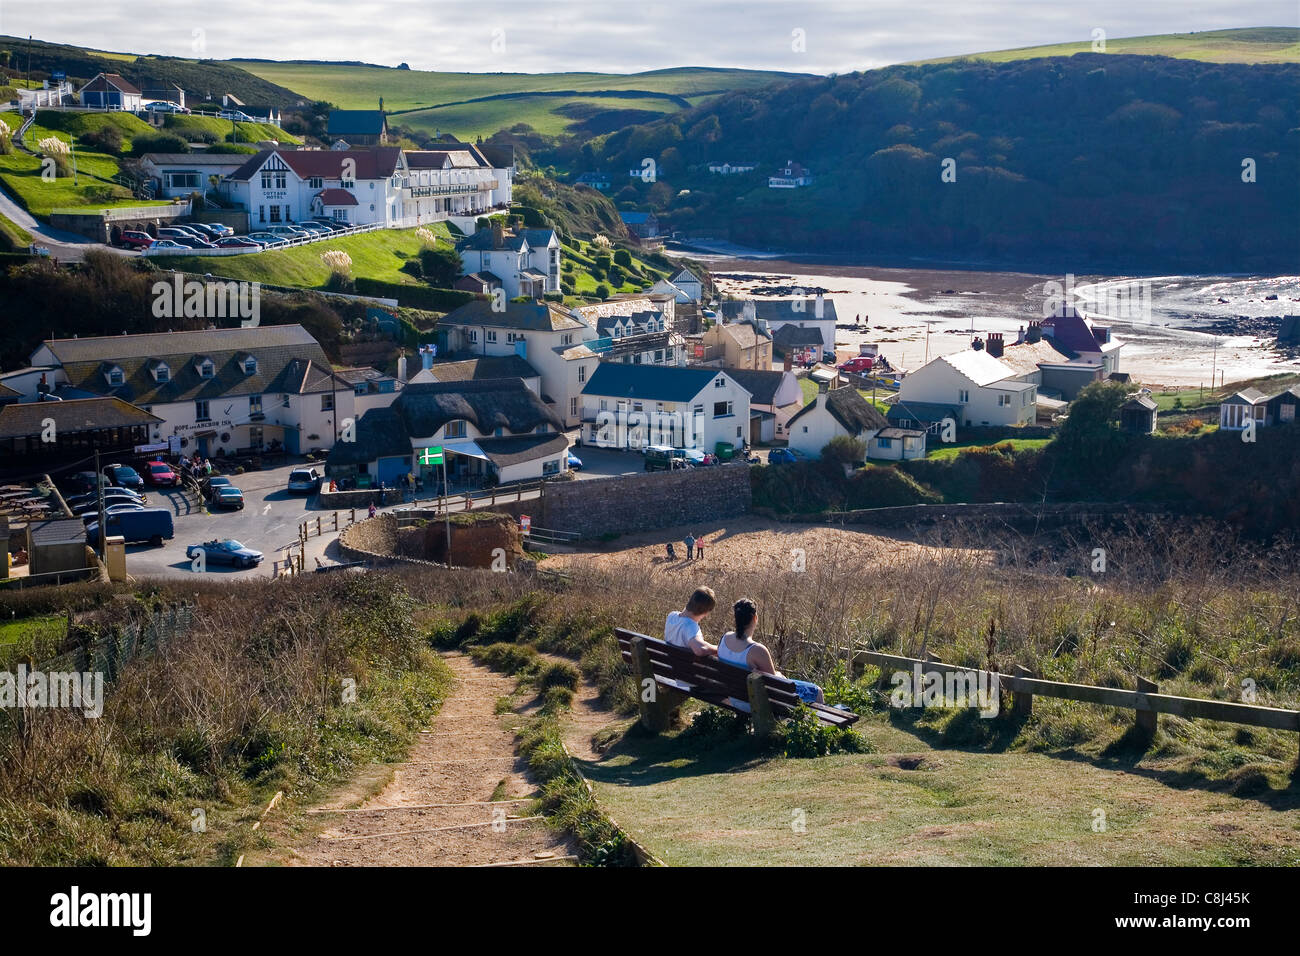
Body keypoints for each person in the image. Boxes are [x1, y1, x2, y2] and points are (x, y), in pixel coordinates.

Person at [717, 598, 827, 705]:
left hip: (733, 698)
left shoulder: (724, 639)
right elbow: (775, 684)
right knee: (817, 692)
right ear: (755, 618)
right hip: (754, 704)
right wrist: (780, 675)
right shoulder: (756, 650)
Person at [664, 586, 717, 657]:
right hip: (681, 667)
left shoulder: (671, 616)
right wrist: (719, 649)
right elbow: (701, 650)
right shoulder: (691, 627)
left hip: (665, 663)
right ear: (706, 612)